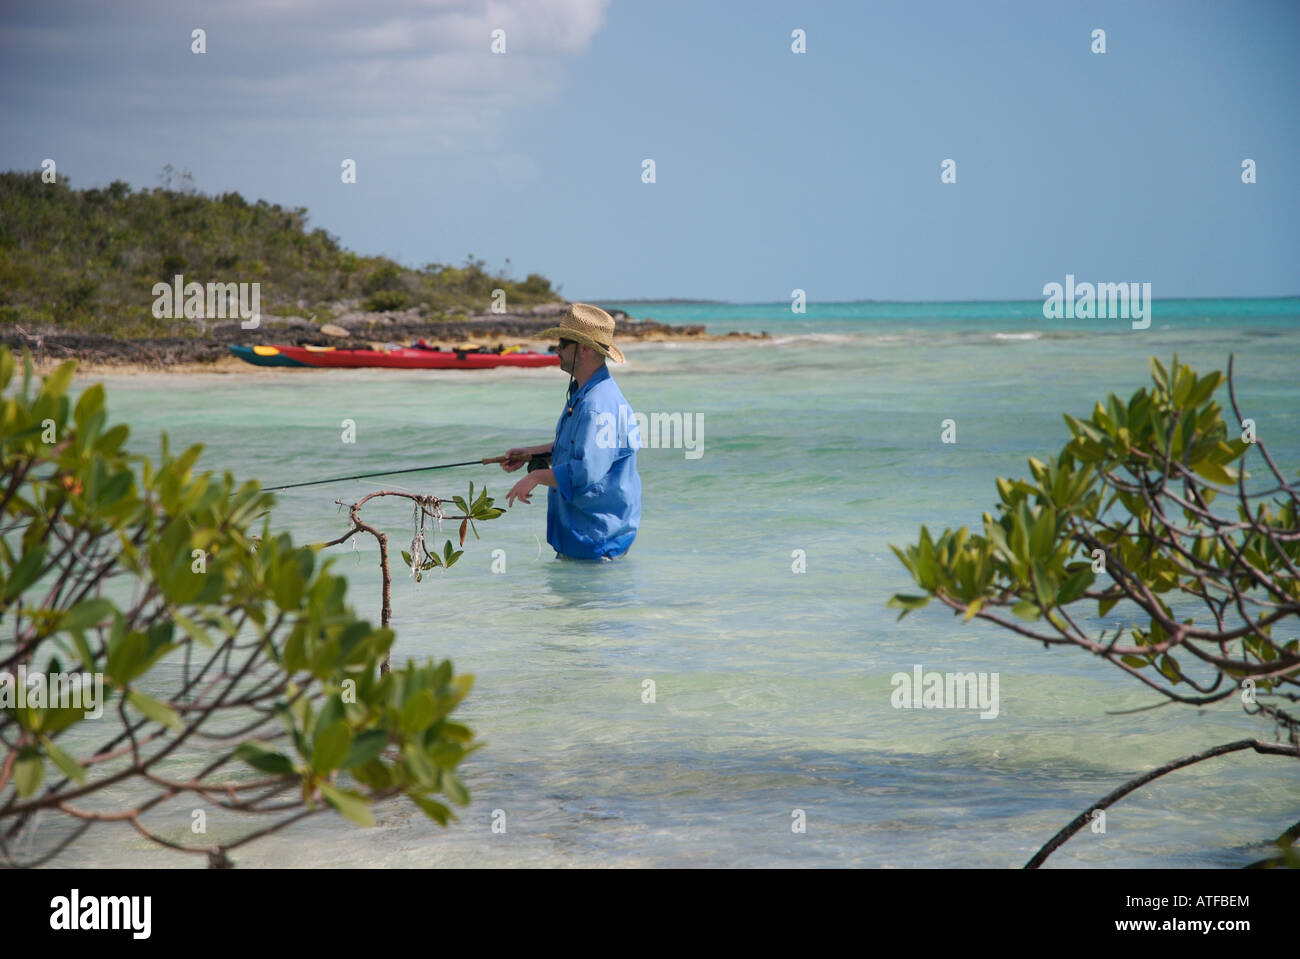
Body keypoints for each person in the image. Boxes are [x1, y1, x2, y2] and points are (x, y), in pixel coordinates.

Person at [503, 303, 641, 561]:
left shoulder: (597, 406)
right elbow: (579, 447)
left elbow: (585, 472)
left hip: (597, 546)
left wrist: (535, 478)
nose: (556, 349)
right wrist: (530, 454)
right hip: (587, 541)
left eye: (563, 343)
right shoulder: (585, 394)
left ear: (585, 349)